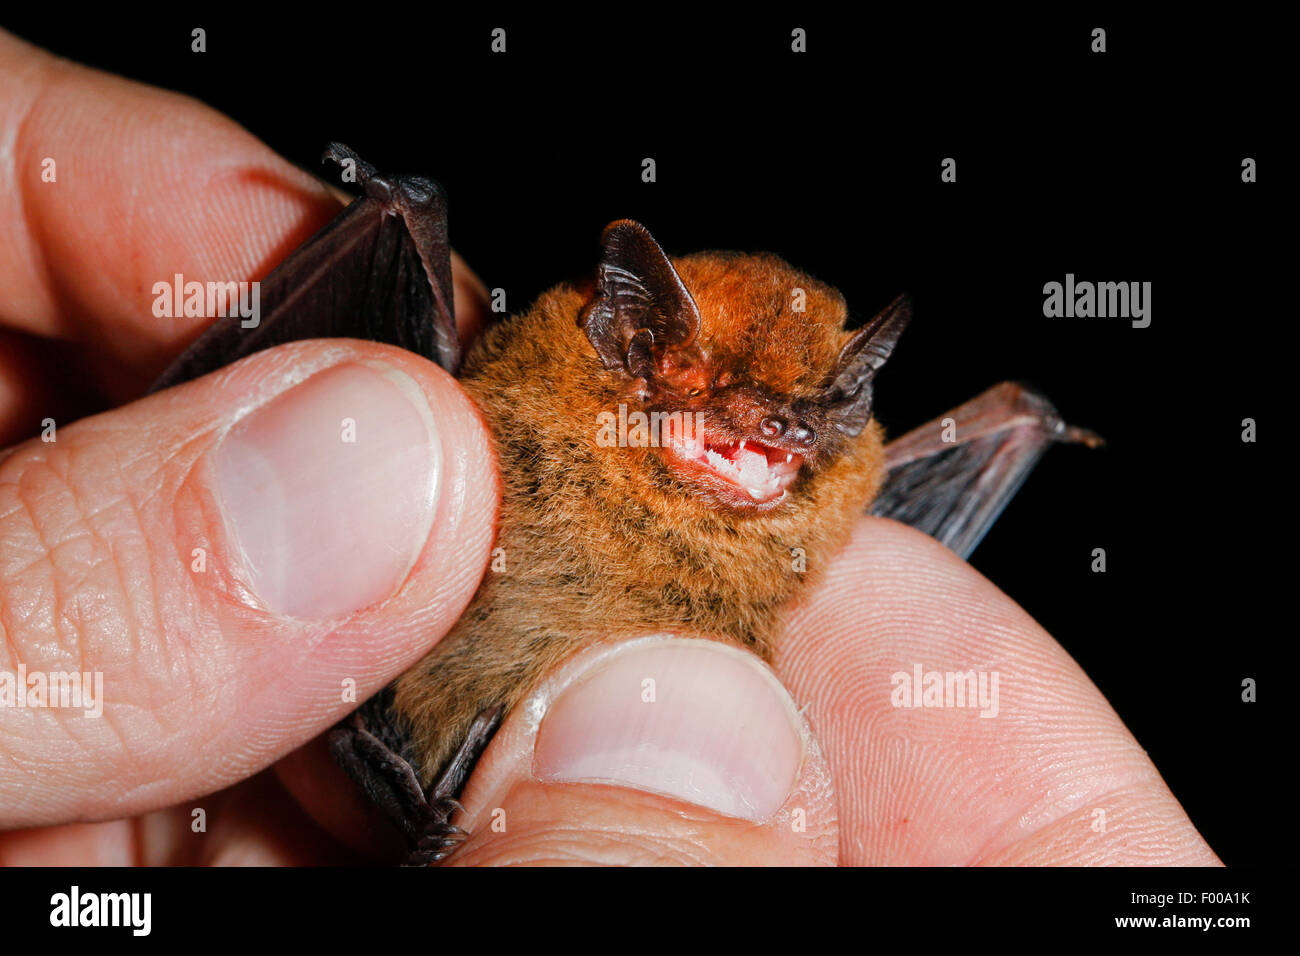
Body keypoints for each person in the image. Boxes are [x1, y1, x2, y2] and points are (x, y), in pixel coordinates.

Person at [0, 29, 1218, 866]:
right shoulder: (532, 407)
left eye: (810, 417)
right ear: (632, 348)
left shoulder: (842, 490)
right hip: (399, 715)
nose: (771, 438)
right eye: (722, 402)